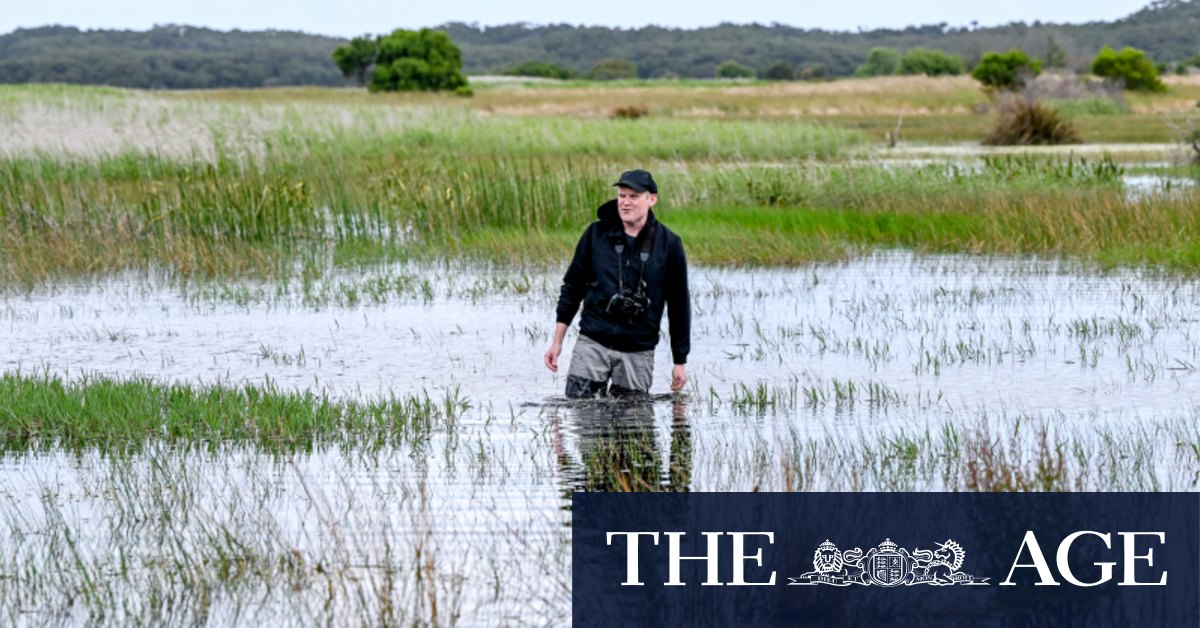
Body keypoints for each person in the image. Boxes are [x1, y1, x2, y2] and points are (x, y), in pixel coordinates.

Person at [544, 169, 691, 398]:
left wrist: (679, 360)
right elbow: (572, 287)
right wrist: (556, 342)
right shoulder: (596, 234)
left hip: (638, 350)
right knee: (581, 415)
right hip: (592, 343)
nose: (625, 202)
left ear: (651, 199)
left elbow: (679, 305)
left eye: (633, 197)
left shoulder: (669, 244)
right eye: (622, 196)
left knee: (631, 426)